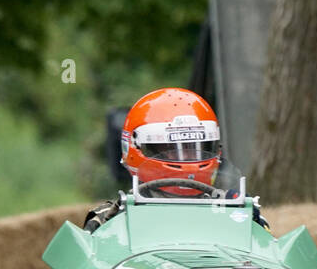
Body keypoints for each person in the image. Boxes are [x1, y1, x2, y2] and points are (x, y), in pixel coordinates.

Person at [85, 87, 264, 231]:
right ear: (137, 148)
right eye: (171, 150)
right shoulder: (108, 219)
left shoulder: (236, 210)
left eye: (195, 148)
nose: (185, 157)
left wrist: (248, 221)